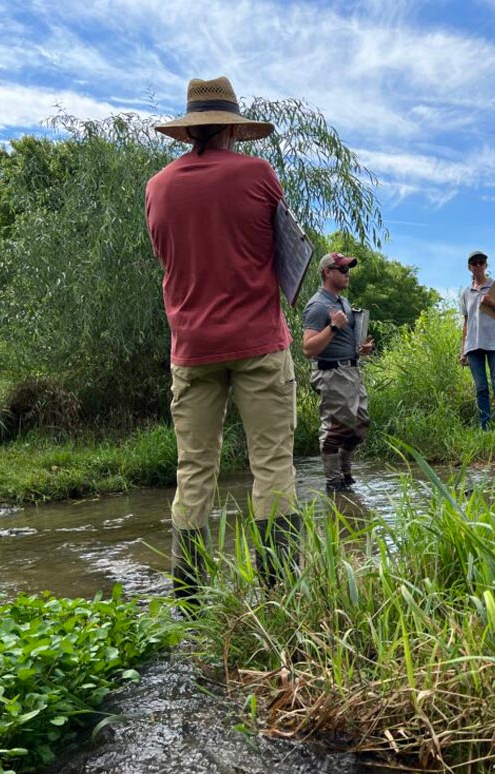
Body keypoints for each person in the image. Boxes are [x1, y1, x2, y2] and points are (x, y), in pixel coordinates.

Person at [146, 76, 299, 594]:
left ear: (189, 131)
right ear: (234, 125)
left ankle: (188, 595)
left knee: (194, 468)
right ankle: (280, 587)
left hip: (191, 347)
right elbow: (283, 250)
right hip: (259, 342)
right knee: (272, 464)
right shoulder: (258, 174)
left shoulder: (158, 186)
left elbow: (168, 259)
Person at [303, 252, 374, 492]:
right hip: (331, 374)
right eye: (342, 270)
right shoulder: (317, 305)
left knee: (361, 424)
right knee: (337, 428)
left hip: (351, 371)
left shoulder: (341, 301)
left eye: (348, 269)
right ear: (327, 272)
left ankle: (345, 470)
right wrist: (333, 326)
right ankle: (334, 483)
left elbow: (343, 337)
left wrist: (361, 349)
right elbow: (308, 348)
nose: (347, 274)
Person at [459, 250, 495, 439]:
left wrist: (493, 304)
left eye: (481, 262)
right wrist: (462, 350)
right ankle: (485, 428)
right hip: (473, 345)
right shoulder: (466, 292)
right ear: (469, 267)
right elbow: (466, 322)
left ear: (486, 265)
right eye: (474, 263)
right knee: (481, 387)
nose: (478, 265)